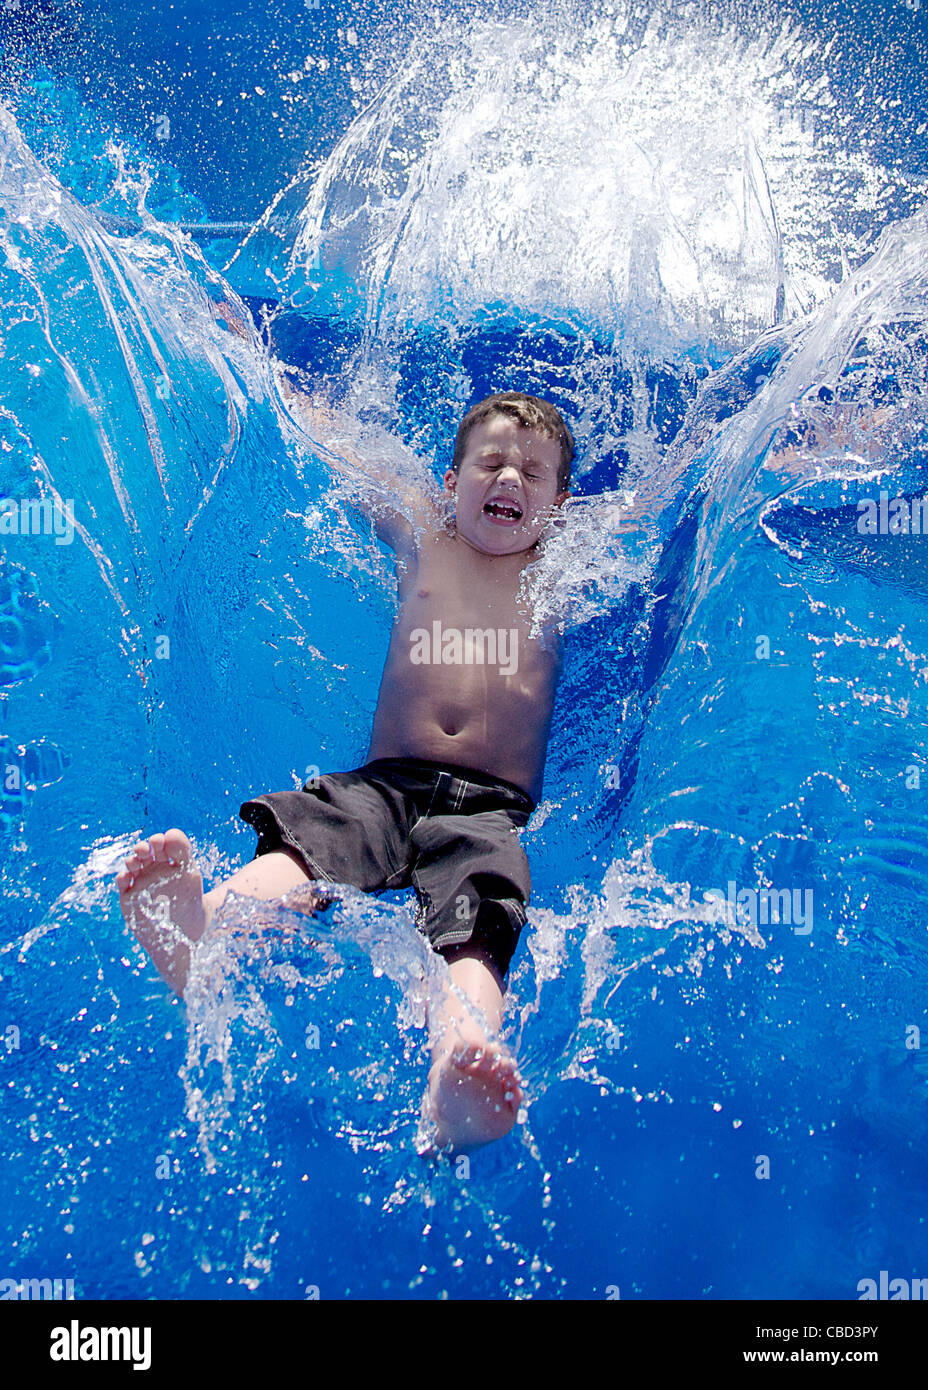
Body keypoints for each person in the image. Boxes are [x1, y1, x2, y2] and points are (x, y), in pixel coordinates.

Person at [117, 383, 574, 1153]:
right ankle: (201, 929)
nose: (507, 480)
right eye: (490, 463)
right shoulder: (424, 534)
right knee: (307, 842)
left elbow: (682, 484)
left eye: (532, 473)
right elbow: (340, 443)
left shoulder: (566, 564)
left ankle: (455, 1074)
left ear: (559, 506)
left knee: (478, 921)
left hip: (490, 810)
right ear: (450, 484)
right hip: (385, 783)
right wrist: (251, 361)